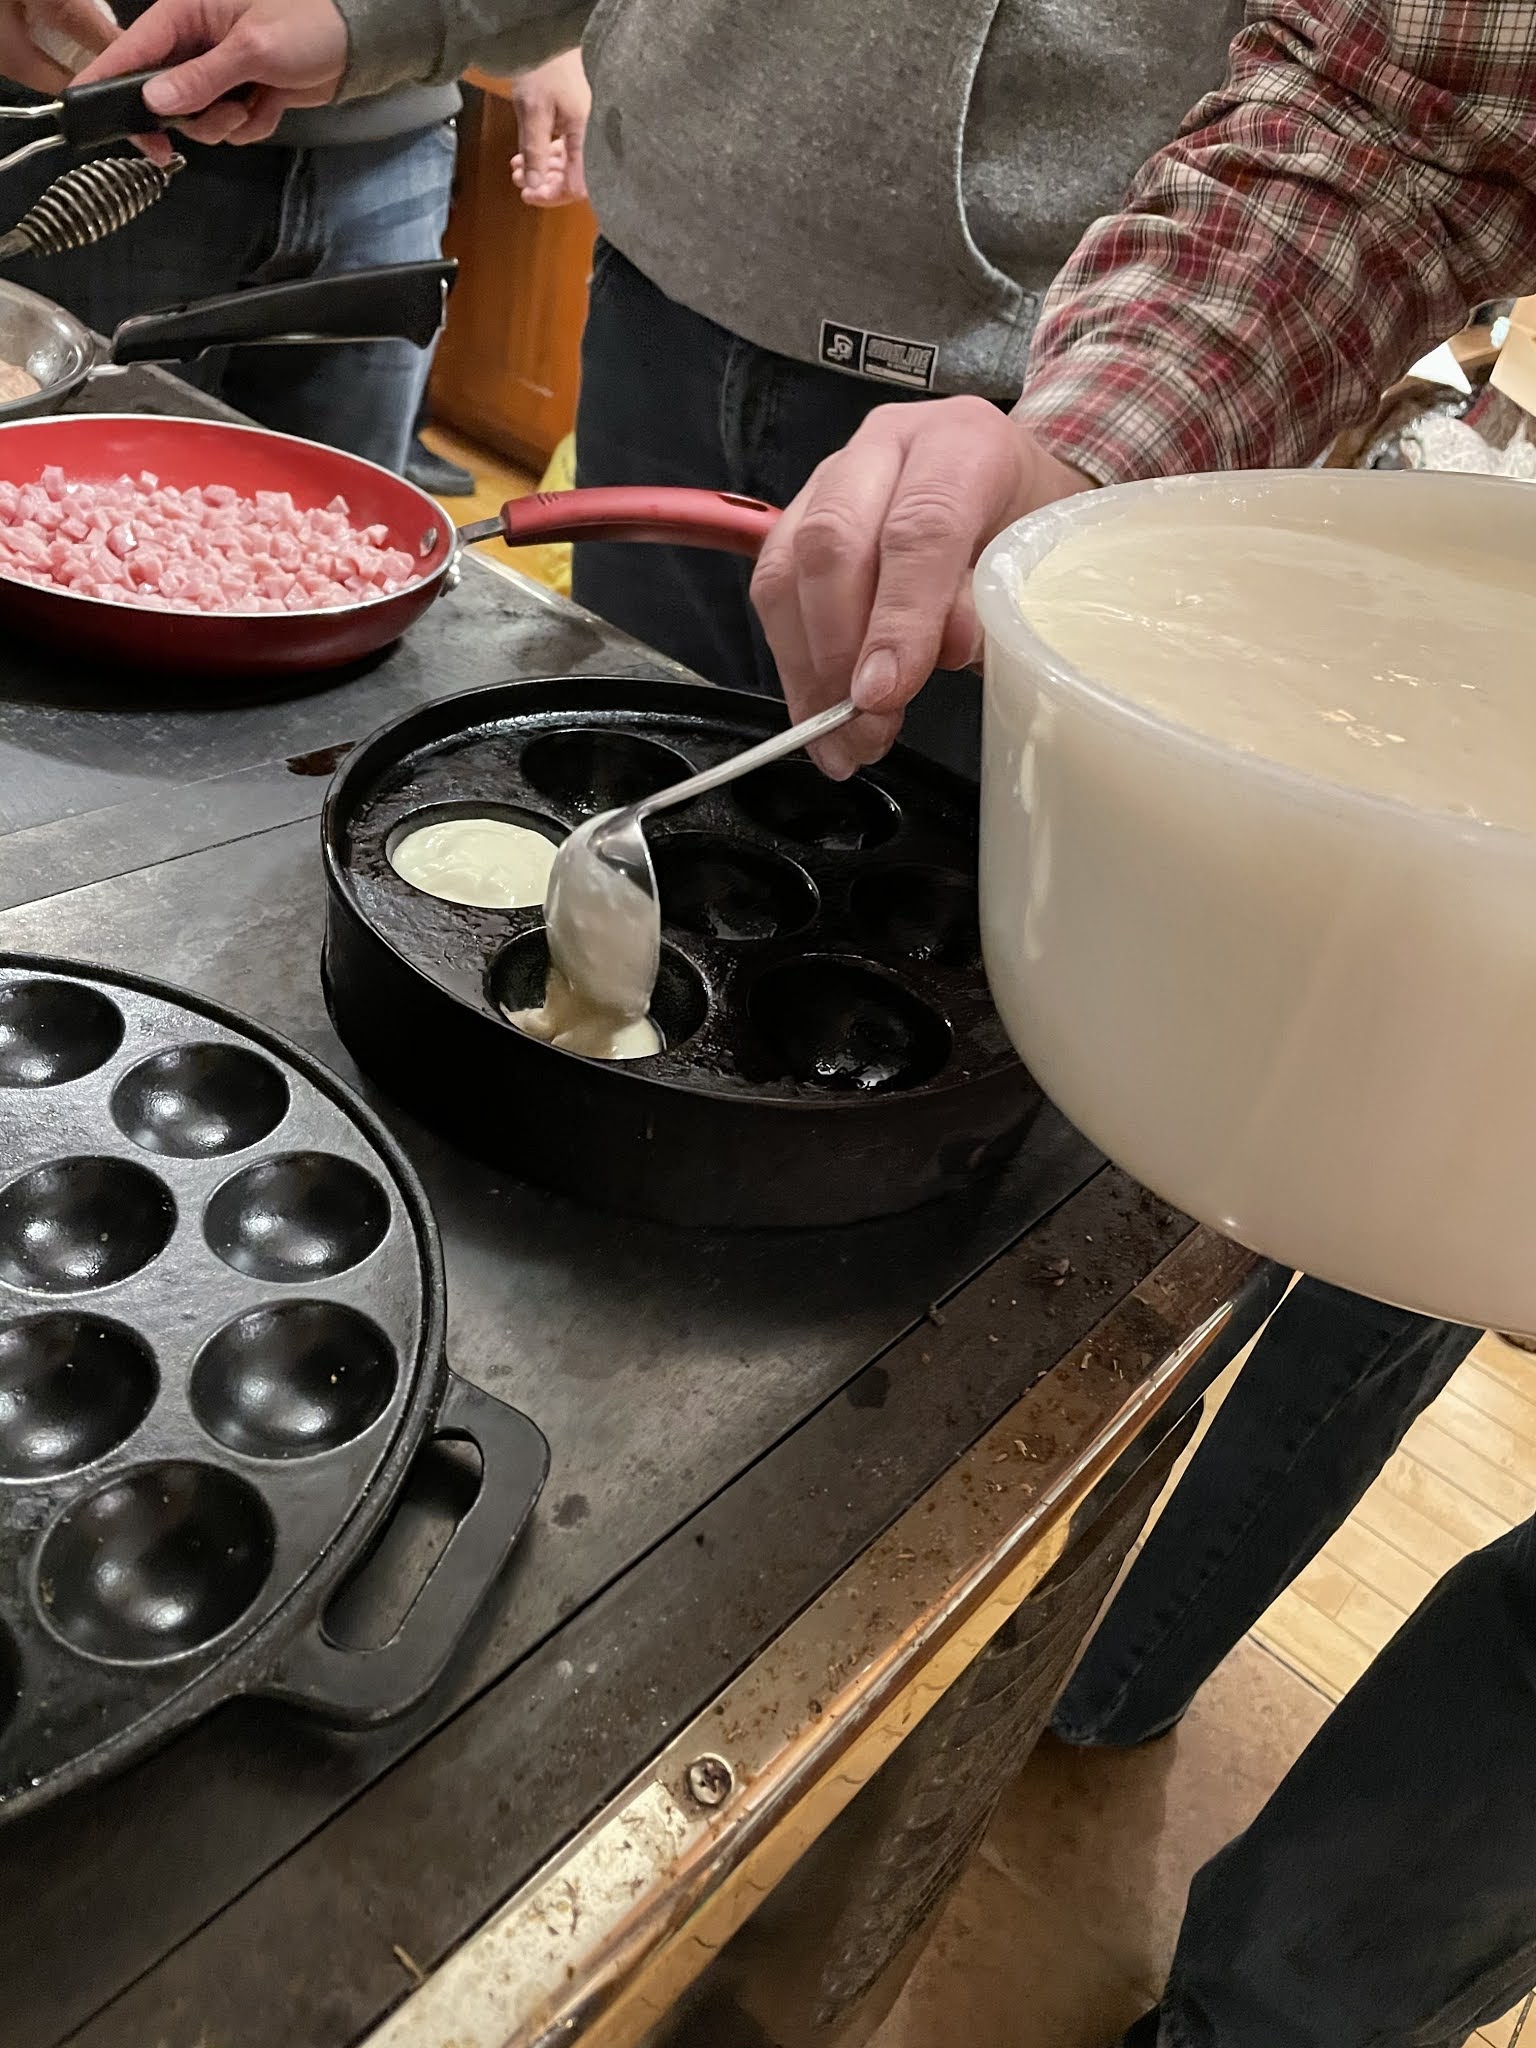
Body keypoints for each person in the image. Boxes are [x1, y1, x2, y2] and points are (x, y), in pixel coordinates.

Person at [61, 2, 1536, 2041]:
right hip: (794, 346)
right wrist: (1090, 441)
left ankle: (1128, 1745)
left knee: (1049, 1264)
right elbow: (1409, 120)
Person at [0, 0, 460, 474]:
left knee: (350, 510)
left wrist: (528, 43)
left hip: (396, 128)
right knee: (71, 494)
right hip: (99, 128)